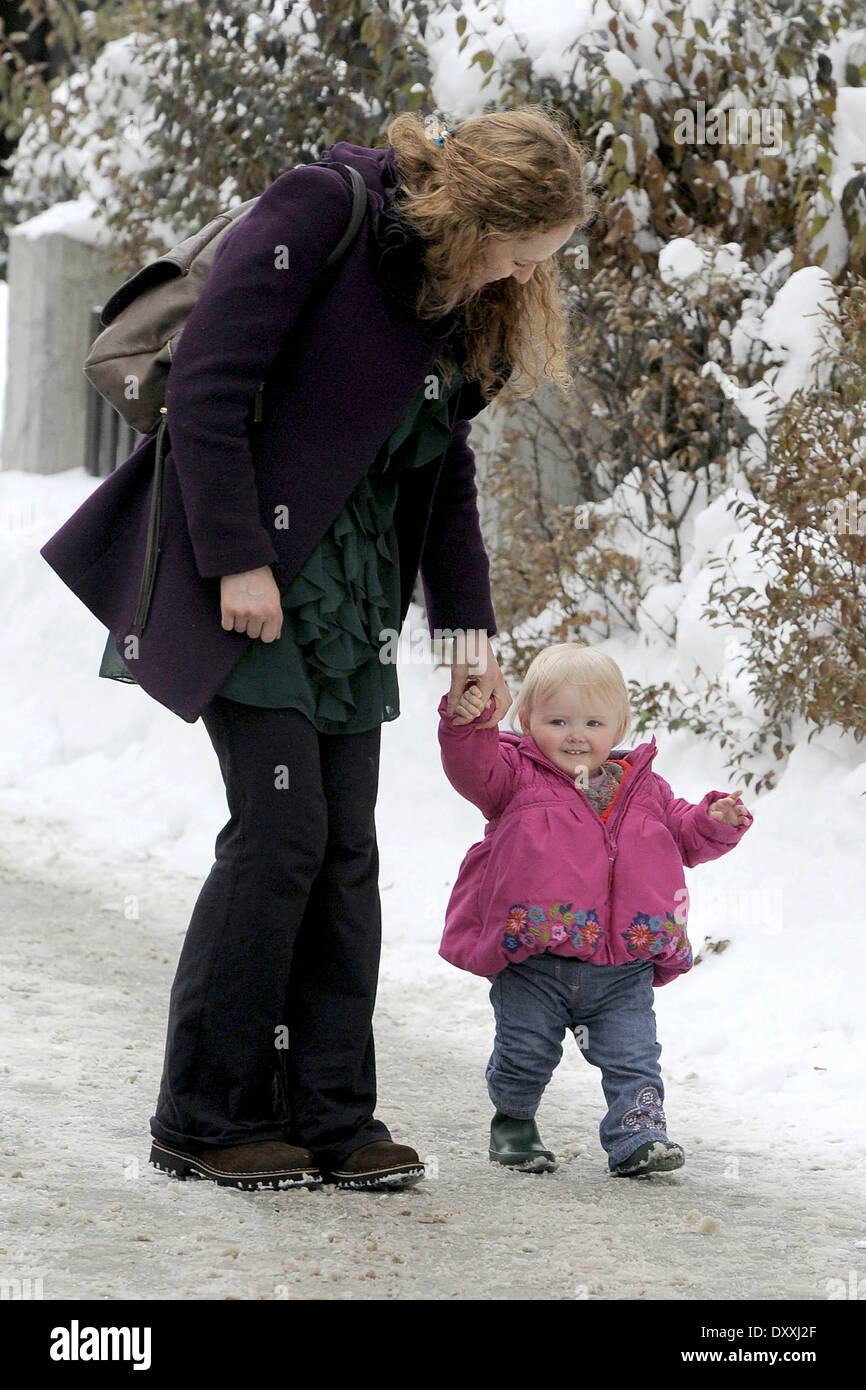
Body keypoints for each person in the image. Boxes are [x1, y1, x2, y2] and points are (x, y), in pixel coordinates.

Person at [65, 105, 593, 1192]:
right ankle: (202, 1115)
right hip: (244, 585)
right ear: (476, 211)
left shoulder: (464, 304)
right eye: (517, 251)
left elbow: (440, 477)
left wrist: (464, 636)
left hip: (349, 605)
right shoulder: (327, 211)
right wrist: (237, 557)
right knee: (281, 832)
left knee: (345, 850)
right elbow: (207, 383)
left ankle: (333, 1115)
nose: (520, 278)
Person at [437, 643, 753, 1177]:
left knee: (634, 1056)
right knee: (525, 1053)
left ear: (620, 725)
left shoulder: (646, 789)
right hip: (536, 963)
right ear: (528, 721)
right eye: (557, 720)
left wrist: (715, 820)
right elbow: (472, 766)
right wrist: (469, 726)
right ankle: (514, 1121)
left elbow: (686, 835)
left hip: (623, 965)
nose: (576, 734)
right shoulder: (514, 777)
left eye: (592, 721)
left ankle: (639, 1137)